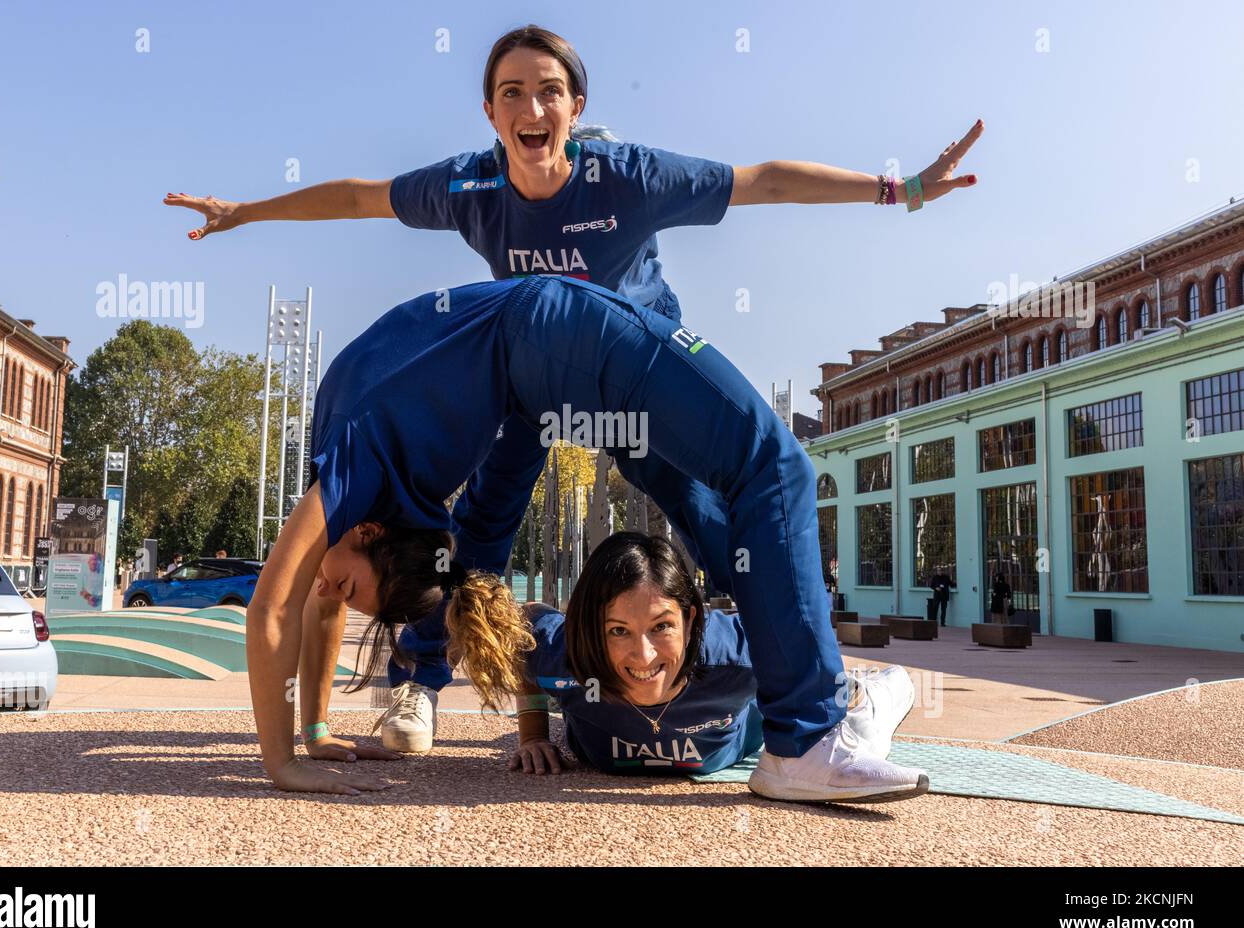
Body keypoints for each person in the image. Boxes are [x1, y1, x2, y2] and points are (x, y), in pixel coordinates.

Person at [168, 24, 984, 755]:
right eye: (512, 93)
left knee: (693, 494)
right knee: (483, 512)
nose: (532, 109)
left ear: (575, 107)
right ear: (491, 116)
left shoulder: (626, 177)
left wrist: (898, 189)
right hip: (528, 375)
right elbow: (356, 197)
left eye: (549, 92)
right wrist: (247, 211)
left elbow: (762, 179)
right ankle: (420, 682)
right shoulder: (471, 187)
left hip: (633, 375)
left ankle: (762, 638)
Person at [246, 274, 929, 803]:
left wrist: (280, 761)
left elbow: (274, 606)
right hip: (539, 364)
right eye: (340, 585)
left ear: (368, 532)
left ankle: (808, 734)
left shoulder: (352, 467)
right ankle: (805, 728)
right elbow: (319, 600)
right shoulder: (366, 504)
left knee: (775, 466)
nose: (326, 585)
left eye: (343, 582)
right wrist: (312, 731)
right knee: (733, 469)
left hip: (551, 333)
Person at [511, 532, 915, 779]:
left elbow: (806, 645)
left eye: (661, 627)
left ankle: (875, 690)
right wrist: (532, 735)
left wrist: (844, 695)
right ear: (590, 632)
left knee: (841, 694)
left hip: (752, 723)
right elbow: (524, 625)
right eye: (618, 630)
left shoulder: (734, 655)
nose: (644, 654)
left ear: (689, 621)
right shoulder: (571, 656)